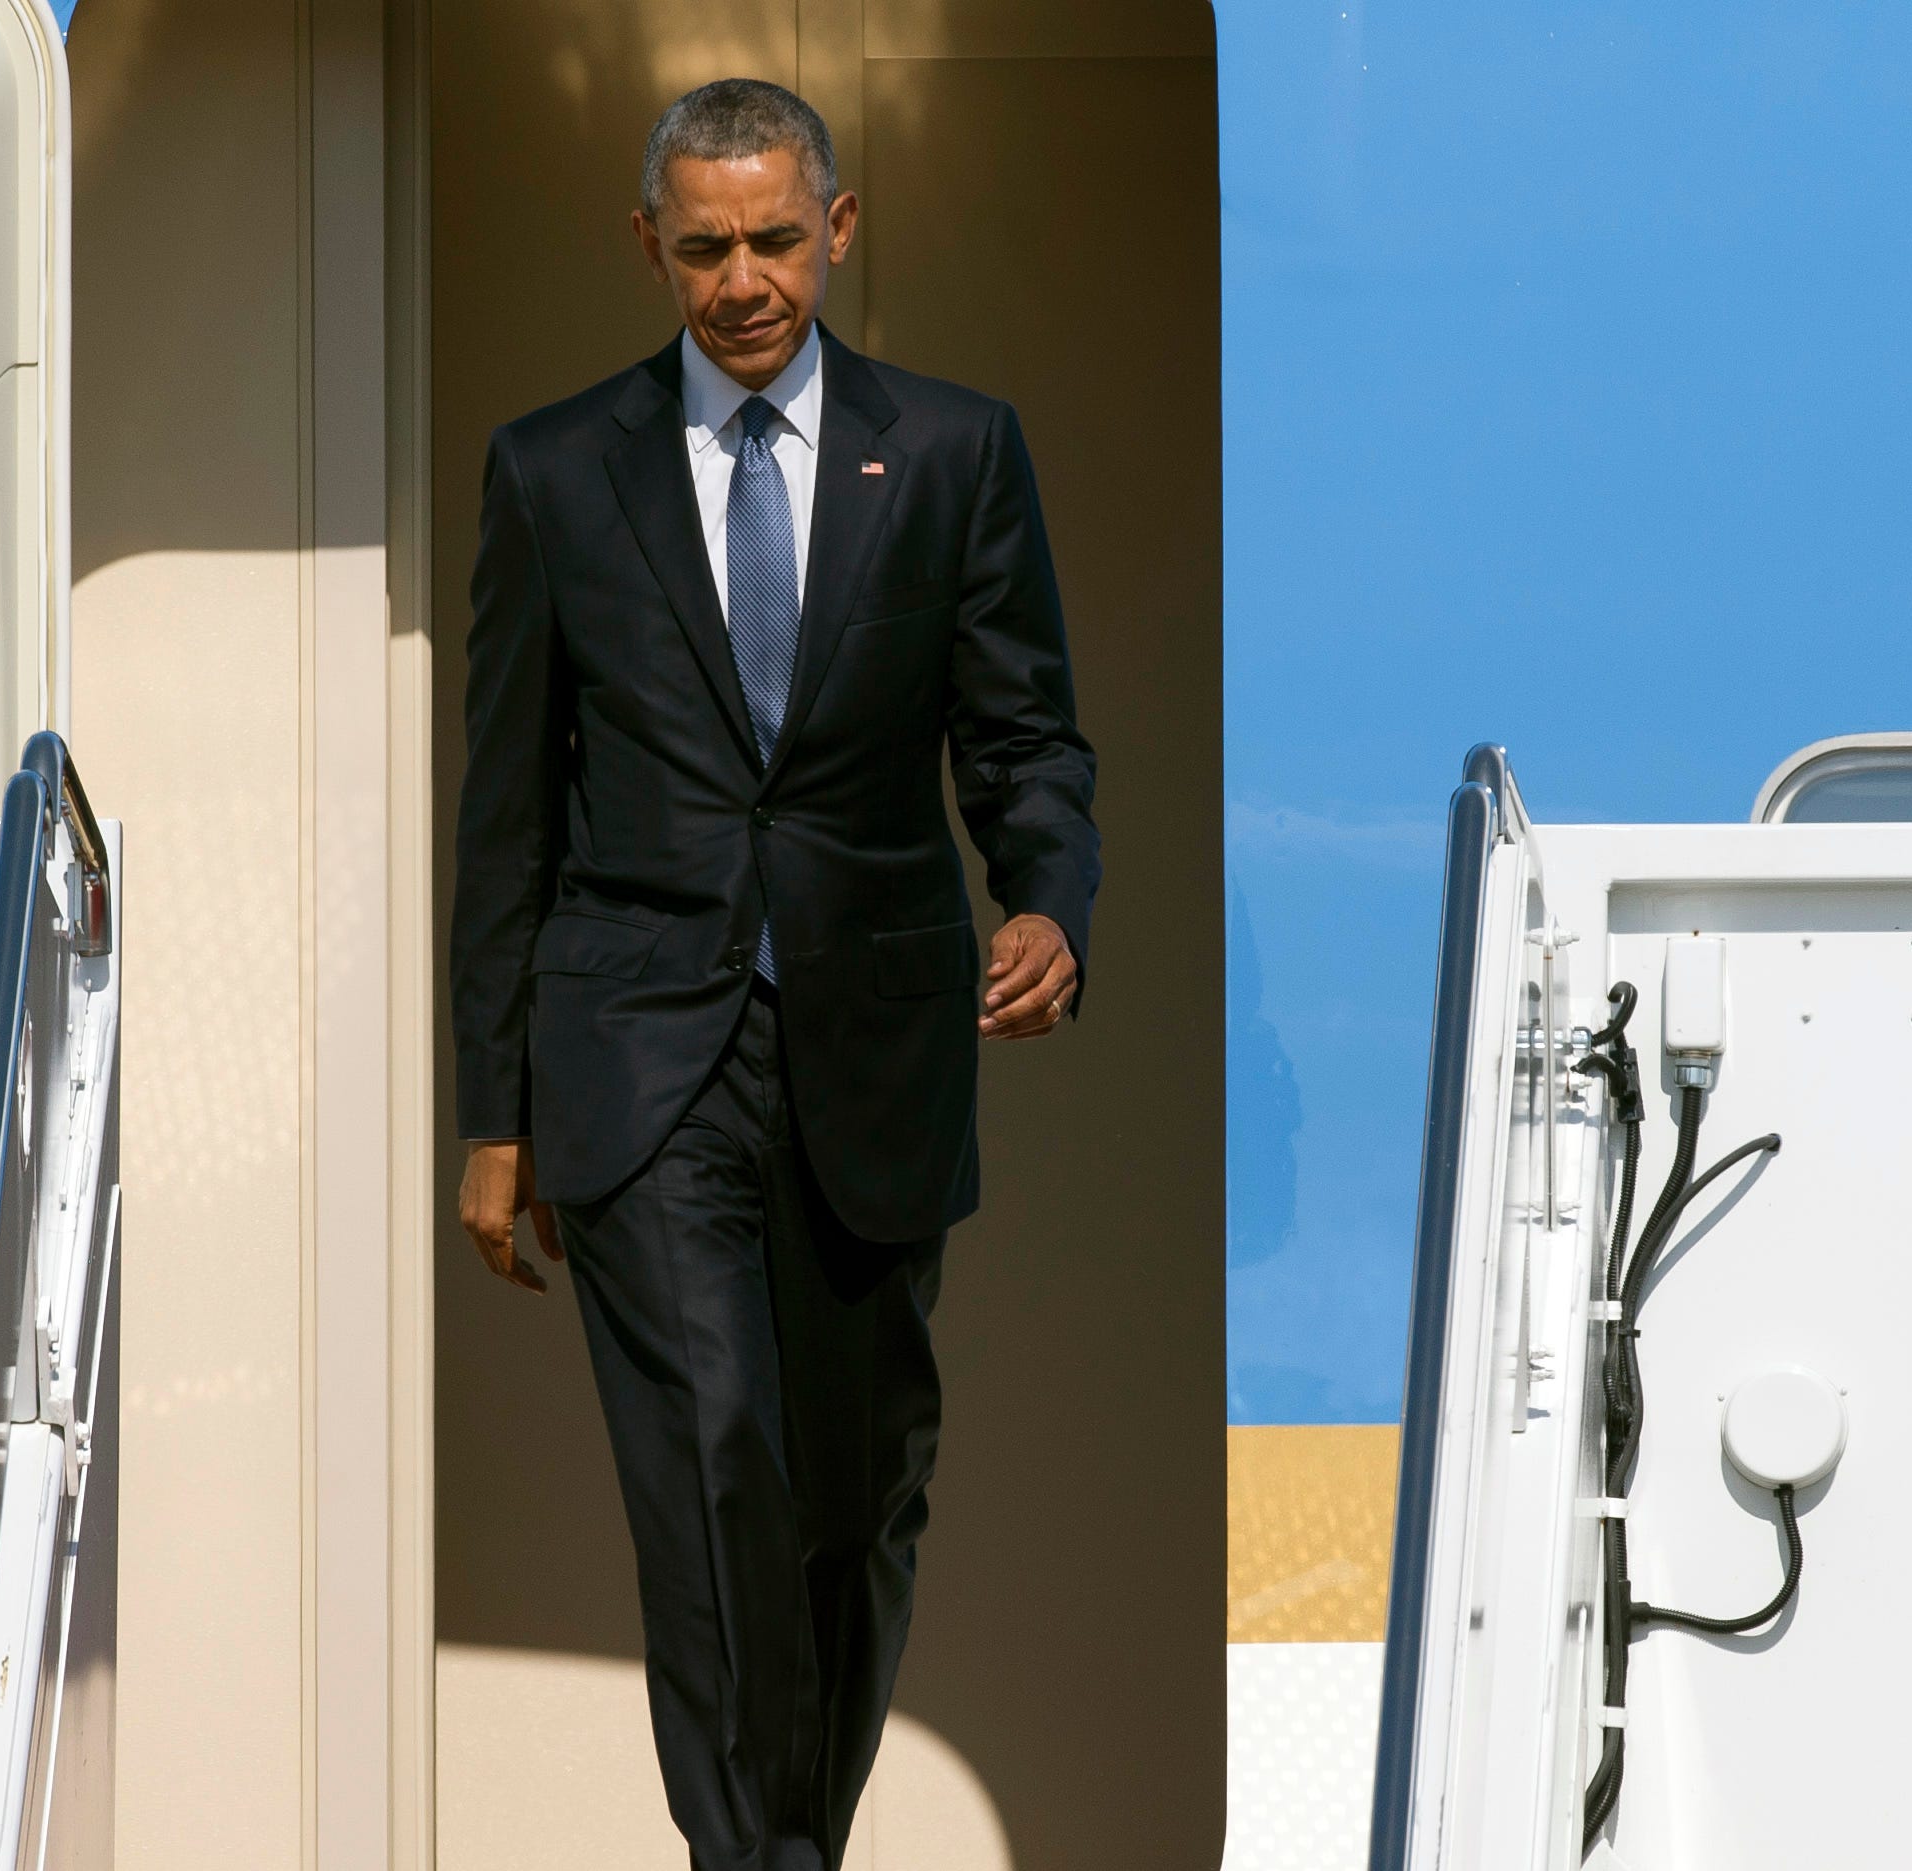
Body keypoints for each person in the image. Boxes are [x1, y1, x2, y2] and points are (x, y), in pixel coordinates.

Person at [448, 76, 1100, 1871]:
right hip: (638, 1060)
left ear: (842, 230)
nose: (744, 282)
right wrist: (492, 1119)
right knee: (713, 1463)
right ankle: (751, 1858)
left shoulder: (953, 452)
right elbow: (504, 814)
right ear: (648, 242)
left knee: (858, 1488)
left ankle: (794, 1834)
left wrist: (1045, 902)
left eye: (777, 240)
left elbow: (1027, 736)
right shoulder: (555, 467)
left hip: (874, 1049)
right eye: (707, 245)